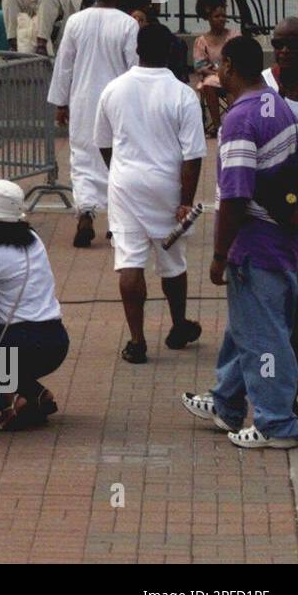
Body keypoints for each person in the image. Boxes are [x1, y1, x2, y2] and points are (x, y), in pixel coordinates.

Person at [181, 35, 298, 449]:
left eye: (219, 66)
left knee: (265, 337)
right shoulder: (278, 105)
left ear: (230, 66)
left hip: (257, 241)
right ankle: (227, 402)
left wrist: (219, 255)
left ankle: (276, 424)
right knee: (248, 326)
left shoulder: (239, 119)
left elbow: (235, 196)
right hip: (285, 237)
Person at [95, 23, 206, 364]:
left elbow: (102, 143)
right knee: (172, 259)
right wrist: (185, 201)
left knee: (129, 261)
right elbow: (192, 155)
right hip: (167, 184)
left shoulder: (113, 89)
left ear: (137, 50)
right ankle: (178, 325)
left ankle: (137, 341)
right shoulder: (182, 94)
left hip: (125, 183)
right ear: (170, 51)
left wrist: (121, 171)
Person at [0, 179, 70, 431]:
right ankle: (38, 396)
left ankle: (10, 402)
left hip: (22, 341)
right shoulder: (34, 240)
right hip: (55, 339)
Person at [46, 0, 139, 248]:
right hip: (118, 100)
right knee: (118, 157)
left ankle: (86, 210)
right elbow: (134, 64)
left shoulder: (76, 21)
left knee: (83, 157)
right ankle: (116, 221)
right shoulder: (127, 24)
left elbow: (64, 64)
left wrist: (60, 103)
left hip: (83, 100)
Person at [261, 17, 298, 396]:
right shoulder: (264, 86)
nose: (284, 51)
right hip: (276, 200)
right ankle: (294, 364)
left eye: (292, 45)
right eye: (278, 44)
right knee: (285, 291)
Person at [191, 0, 238, 136]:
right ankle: (218, 126)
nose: (221, 19)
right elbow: (200, 66)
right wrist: (216, 73)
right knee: (209, 83)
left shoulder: (234, 36)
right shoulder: (202, 41)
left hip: (232, 75)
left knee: (230, 84)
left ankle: (233, 123)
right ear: (209, 18)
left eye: (224, 16)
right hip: (212, 77)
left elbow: (239, 58)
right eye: (217, 16)